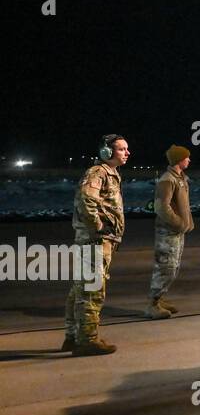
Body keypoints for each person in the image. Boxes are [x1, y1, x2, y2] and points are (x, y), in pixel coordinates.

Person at [63, 135, 129, 356]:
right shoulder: (98, 172)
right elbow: (86, 200)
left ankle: (73, 337)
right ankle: (87, 340)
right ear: (107, 152)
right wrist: (98, 227)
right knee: (92, 290)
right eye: (121, 149)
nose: (127, 153)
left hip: (96, 240)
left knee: (80, 289)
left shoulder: (110, 174)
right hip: (95, 241)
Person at [146, 145, 194, 318]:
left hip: (176, 232)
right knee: (166, 267)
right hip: (168, 232)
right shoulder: (167, 179)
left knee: (173, 267)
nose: (189, 160)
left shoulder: (179, 178)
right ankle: (152, 304)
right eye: (186, 157)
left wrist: (185, 224)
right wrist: (179, 223)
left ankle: (160, 298)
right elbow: (161, 207)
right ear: (178, 160)